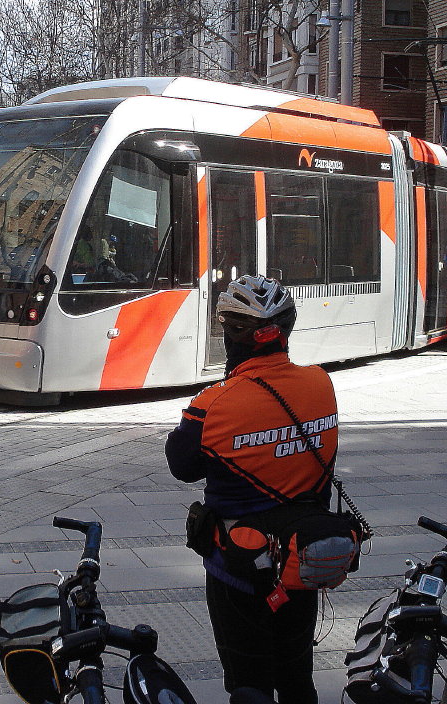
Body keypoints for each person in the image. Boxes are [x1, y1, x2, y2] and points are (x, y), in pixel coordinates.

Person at [165, 275, 338, 704]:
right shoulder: (321, 384)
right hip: (302, 559)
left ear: (232, 336)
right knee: (297, 676)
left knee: (248, 682)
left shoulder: (212, 403)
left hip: (237, 568)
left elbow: (182, 466)